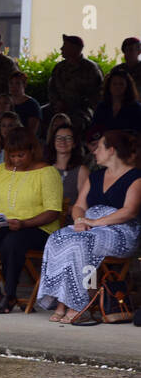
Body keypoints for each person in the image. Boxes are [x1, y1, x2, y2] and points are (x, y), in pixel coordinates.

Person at [38, 130, 141, 321]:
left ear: (111, 150)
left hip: (120, 231)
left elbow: (129, 211)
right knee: (57, 238)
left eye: (99, 147)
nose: (94, 151)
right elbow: (78, 205)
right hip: (90, 227)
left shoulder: (136, 177)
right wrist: (79, 220)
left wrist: (94, 223)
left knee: (79, 244)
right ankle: (61, 300)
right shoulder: (95, 176)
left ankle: (79, 302)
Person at [0, 126, 63, 314]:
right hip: (5, 225)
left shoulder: (47, 172)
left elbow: (53, 211)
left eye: (21, 155)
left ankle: (10, 295)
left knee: (12, 242)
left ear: (32, 151)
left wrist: (24, 223)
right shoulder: (1, 170)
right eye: (12, 156)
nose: (16, 160)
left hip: (37, 228)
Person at [48, 34, 103, 134]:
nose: (61, 48)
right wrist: (56, 102)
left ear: (76, 48)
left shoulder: (90, 68)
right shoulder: (59, 68)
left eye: (65, 46)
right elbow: (52, 89)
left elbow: (96, 95)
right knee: (41, 113)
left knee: (77, 122)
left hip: (81, 110)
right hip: (58, 108)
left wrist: (73, 105)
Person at [45, 122, 88, 203]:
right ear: (53, 142)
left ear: (74, 143)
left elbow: (84, 206)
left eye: (68, 138)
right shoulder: (45, 167)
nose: (63, 141)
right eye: (59, 138)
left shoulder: (81, 171)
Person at [91, 68, 141, 135]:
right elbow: (94, 130)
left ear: (127, 86)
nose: (117, 87)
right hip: (103, 143)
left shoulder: (136, 108)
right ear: (109, 86)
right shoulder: (102, 107)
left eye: (121, 84)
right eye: (114, 84)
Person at [8, 71, 41, 138]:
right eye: (11, 83)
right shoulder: (5, 101)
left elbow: (32, 131)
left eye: (17, 83)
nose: (13, 87)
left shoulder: (32, 104)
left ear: (24, 85)